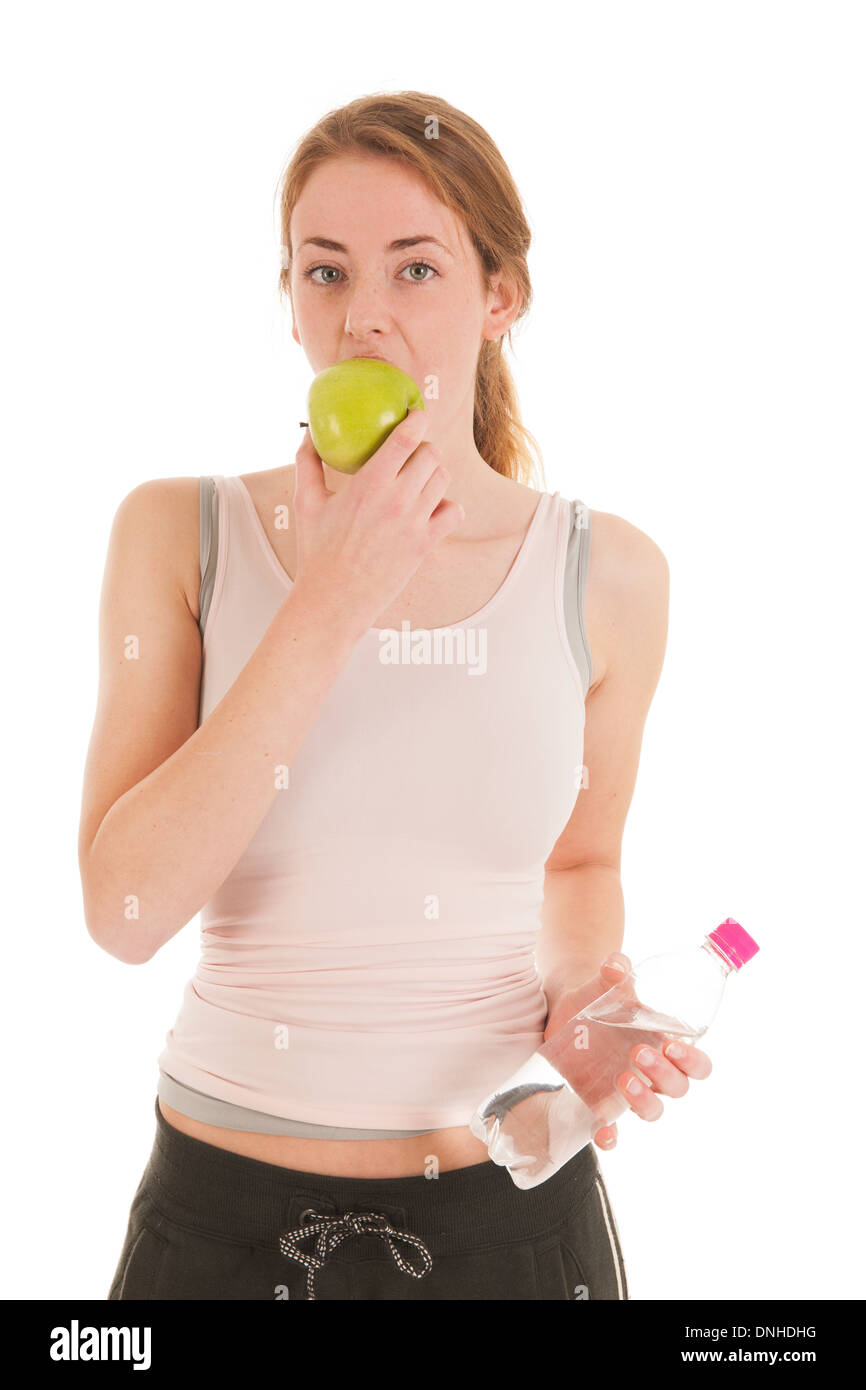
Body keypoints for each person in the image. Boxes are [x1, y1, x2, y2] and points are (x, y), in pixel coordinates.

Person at [79, 90, 711, 1302]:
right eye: (323, 273)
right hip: (222, 1218)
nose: (361, 318)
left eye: (414, 269)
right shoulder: (179, 534)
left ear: (498, 297)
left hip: (510, 1217)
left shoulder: (607, 574)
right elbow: (125, 909)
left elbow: (577, 866)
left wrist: (589, 994)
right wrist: (329, 601)